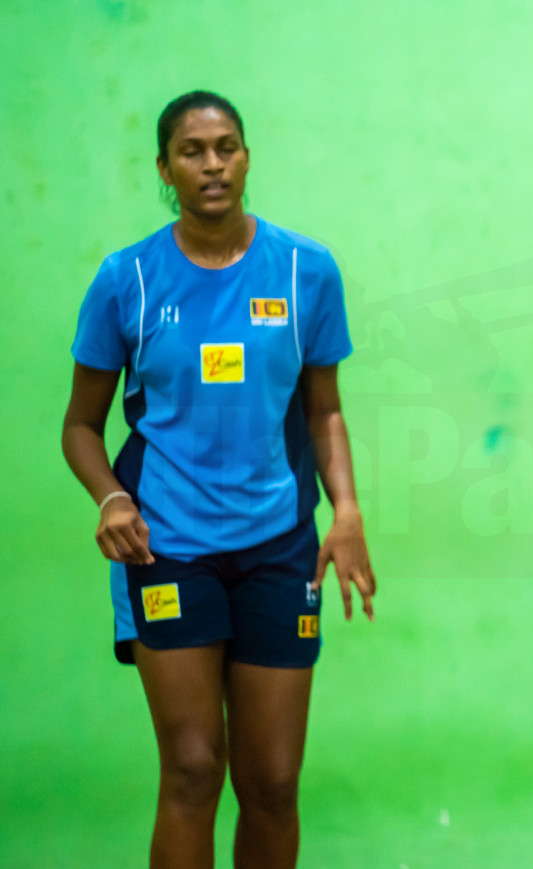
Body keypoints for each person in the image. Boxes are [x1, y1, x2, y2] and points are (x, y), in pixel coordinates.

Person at [61, 90, 375, 869]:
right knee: (195, 769)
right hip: (164, 547)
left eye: (226, 146)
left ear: (245, 155)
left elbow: (323, 411)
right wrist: (109, 496)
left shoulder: (306, 269)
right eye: (193, 151)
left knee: (270, 781)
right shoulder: (125, 280)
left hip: (278, 547)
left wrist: (346, 510)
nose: (212, 164)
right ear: (165, 168)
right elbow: (79, 426)